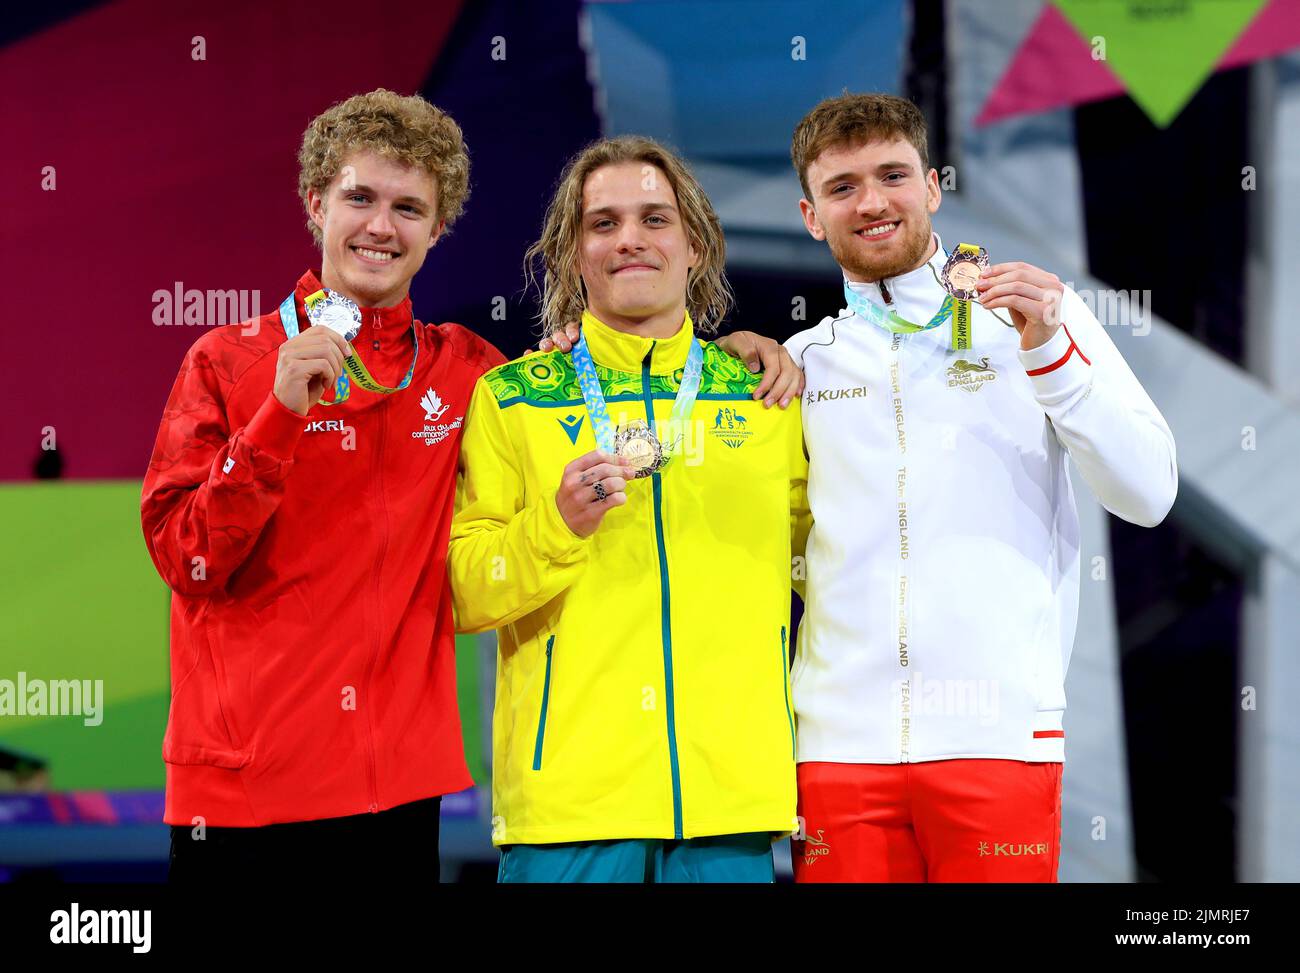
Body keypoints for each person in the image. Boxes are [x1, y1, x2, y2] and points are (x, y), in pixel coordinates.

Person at [784, 93, 1178, 882]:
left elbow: (1149, 492)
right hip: (835, 755)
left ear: (932, 187)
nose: (871, 202)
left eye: (892, 175)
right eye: (842, 186)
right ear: (809, 214)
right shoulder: (802, 362)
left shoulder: (1035, 319)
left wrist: (1052, 355)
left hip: (997, 743)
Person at [140, 89, 505, 884]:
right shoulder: (225, 359)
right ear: (315, 202)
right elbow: (186, 558)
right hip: (239, 804)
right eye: (360, 197)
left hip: (396, 801)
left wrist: (747, 349)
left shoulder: (470, 371)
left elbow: (590, 410)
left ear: (437, 230)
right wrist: (275, 416)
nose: (382, 225)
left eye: (410, 207)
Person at [448, 135, 812, 882]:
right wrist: (555, 526)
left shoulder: (767, 394)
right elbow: (465, 590)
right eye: (603, 223)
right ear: (573, 253)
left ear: (695, 247)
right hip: (570, 811)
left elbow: (833, 570)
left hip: (732, 807)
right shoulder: (514, 397)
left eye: (654, 218)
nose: (630, 240)